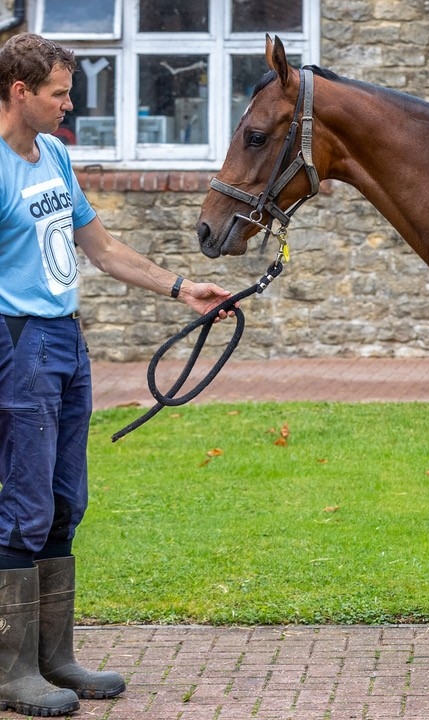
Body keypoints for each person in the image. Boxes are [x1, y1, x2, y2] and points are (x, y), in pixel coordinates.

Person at [0, 33, 232, 717]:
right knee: (26, 505)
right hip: (16, 344)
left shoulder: (55, 155)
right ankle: (12, 672)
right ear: (19, 92)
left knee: (67, 501)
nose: (70, 104)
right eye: (59, 93)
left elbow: (100, 248)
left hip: (66, 340)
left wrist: (180, 287)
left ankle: (53, 658)